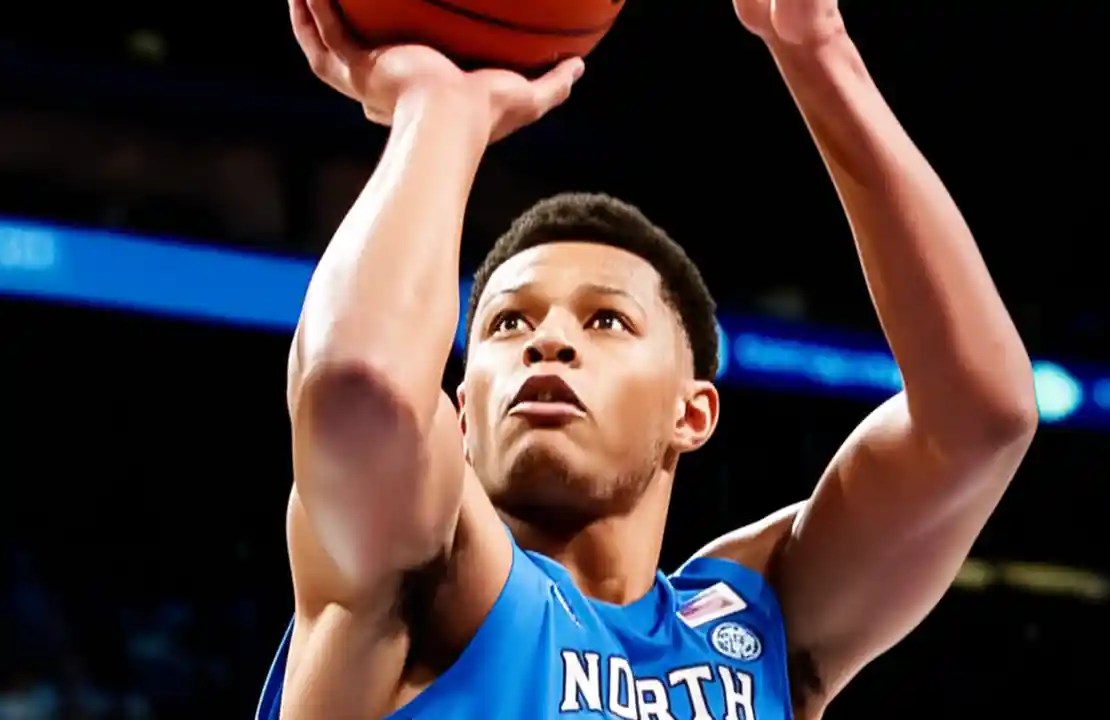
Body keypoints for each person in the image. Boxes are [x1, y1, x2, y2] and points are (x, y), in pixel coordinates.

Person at [258, 0, 1039, 717]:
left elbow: (981, 419)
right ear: (460, 412)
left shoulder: (761, 620)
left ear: (692, 412)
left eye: (605, 319)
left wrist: (817, 50)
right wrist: (441, 111)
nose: (547, 340)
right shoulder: (420, 589)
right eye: (504, 324)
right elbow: (359, 389)